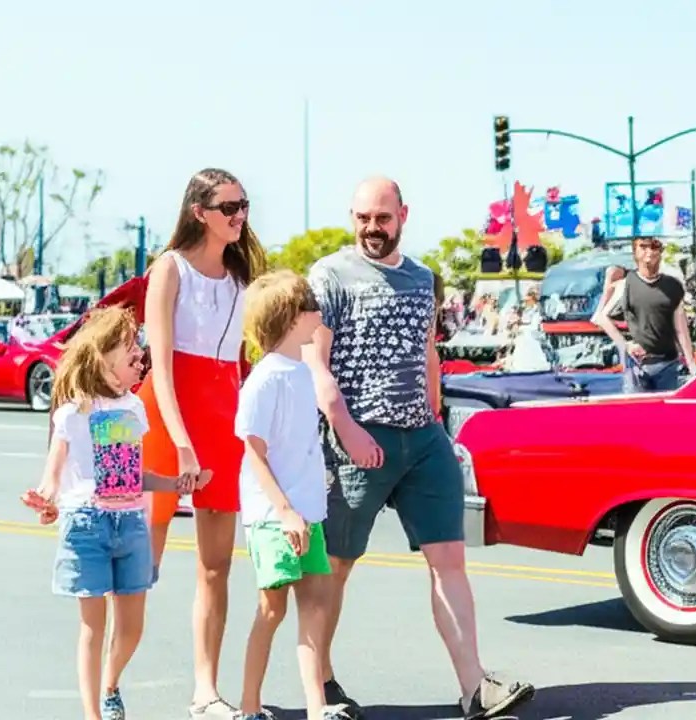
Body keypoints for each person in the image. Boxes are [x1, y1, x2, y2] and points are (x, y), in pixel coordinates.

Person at [303, 177, 535, 720]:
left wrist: (438, 425)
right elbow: (316, 361)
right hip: (358, 437)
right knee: (336, 565)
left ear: (402, 215)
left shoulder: (422, 277)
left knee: (449, 560)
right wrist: (345, 428)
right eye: (363, 218)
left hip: (422, 440)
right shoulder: (331, 275)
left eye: (382, 218)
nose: (372, 229)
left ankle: (475, 688)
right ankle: (322, 685)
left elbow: (427, 353)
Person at [21, 305, 203, 720]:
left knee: (133, 627)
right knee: (93, 626)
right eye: (131, 352)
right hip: (86, 523)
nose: (140, 359)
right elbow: (53, 475)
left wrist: (175, 484)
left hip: (130, 524)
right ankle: (93, 714)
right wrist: (45, 497)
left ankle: (110, 683)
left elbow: (130, 475)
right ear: (103, 359)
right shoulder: (72, 414)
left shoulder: (133, 409)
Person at [136, 167, 267, 718]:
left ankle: (206, 692)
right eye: (229, 207)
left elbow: (253, 358)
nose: (240, 216)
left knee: (216, 566)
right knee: (141, 564)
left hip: (222, 416)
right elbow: (160, 367)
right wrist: (182, 441)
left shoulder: (243, 277)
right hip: (165, 417)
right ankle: (110, 676)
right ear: (199, 212)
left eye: (244, 205)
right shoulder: (168, 270)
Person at [233, 270, 349, 720]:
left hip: (308, 512)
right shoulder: (265, 380)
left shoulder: (301, 372)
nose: (318, 314)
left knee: (316, 605)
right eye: (309, 308)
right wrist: (284, 512)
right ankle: (249, 706)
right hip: (274, 517)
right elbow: (254, 452)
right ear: (289, 319)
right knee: (272, 607)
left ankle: (317, 707)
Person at [591, 236, 696, 393]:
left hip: (668, 365)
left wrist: (691, 363)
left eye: (654, 247)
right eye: (644, 247)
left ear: (660, 252)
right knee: (638, 415)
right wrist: (625, 345)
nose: (650, 252)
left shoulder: (672, 286)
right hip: (638, 367)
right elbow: (601, 317)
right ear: (635, 253)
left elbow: (681, 328)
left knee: (666, 415)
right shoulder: (626, 284)